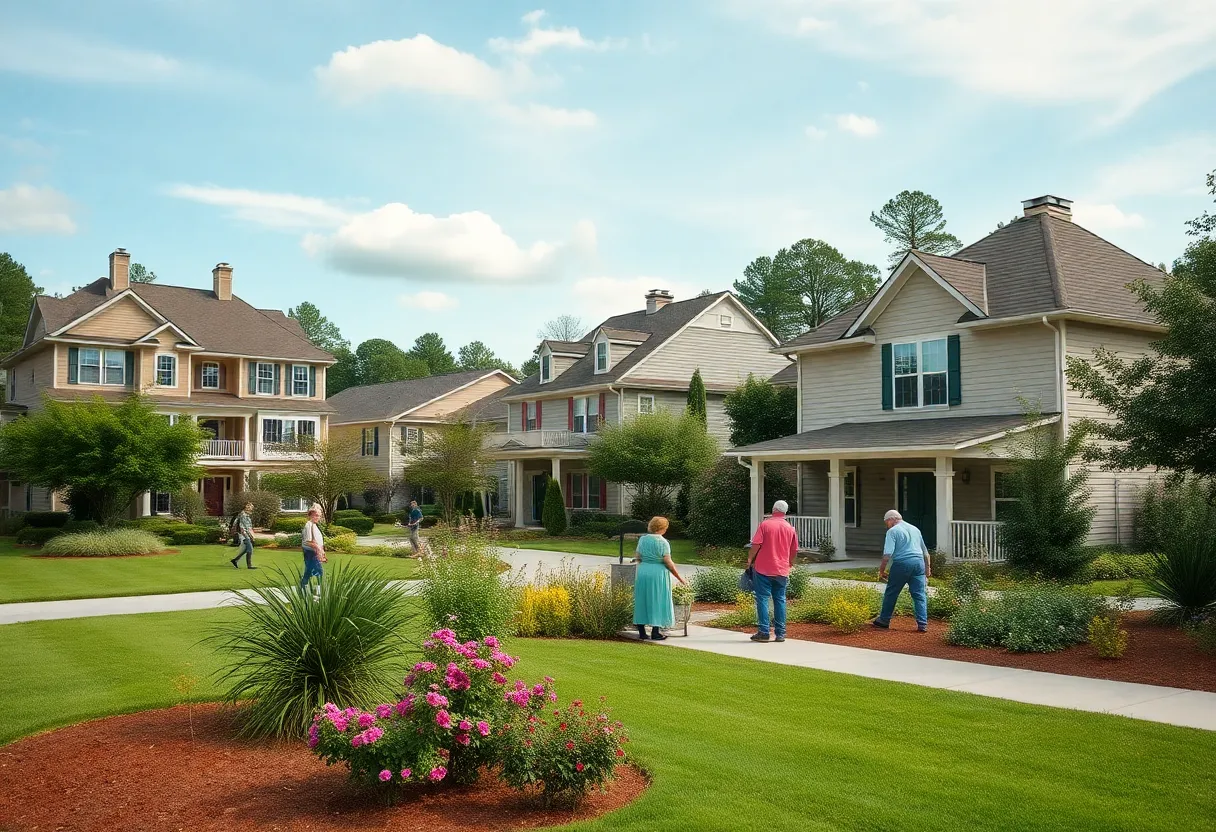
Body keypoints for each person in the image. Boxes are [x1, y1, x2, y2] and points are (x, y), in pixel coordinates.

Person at [746, 499, 800, 643]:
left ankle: (764, 632)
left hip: (764, 569)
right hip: (782, 570)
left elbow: (756, 544)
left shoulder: (765, 525)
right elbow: (794, 550)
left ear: (773, 509)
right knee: (780, 599)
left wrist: (750, 559)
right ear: (785, 512)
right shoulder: (790, 528)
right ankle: (780, 633)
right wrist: (789, 563)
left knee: (763, 598)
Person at [873, 509, 931, 632]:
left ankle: (884, 620)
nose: (886, 525)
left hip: (902, 564)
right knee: (919, 594)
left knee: (892, 592)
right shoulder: (915, 529)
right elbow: (926, 553)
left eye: (886, 522)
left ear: (891, 519)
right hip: (918, 563)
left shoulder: (893, 531)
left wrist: (882, 570)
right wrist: (927, 569)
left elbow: (887, 554)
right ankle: (923, 624)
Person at [631, 516, 687, 641]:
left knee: (642, 599)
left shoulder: (643, 540)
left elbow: (638, 556)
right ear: (662, 528)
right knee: (657, 599)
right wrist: (679, 577)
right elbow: (668, 562)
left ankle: (642, 632)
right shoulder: (663, 542)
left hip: (643, 571)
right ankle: (655, 632)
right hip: (658, 573)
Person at [300, 507, 327, 596]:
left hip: (313, 552)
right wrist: (318, 549)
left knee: (309, 571)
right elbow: (308, 541)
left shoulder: (314, 525)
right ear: (311, 515)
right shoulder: (309, 525)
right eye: (316, 515)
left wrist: (321, 551)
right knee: (319, 570)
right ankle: (318, 591)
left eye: (319, 516)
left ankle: (303, 588)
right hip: (310, 552)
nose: (318, 517)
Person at [229, 502, 257, 570]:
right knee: (250, 549)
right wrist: (250, 536)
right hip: (244, 534)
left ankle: (235, 560)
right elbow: (244, 527)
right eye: (251, 507)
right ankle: (249, 565)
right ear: (246, 507)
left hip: (245, 534)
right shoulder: (243, 515)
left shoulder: (245, 515)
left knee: (246, 549)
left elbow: (248, 526)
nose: (252, 508)